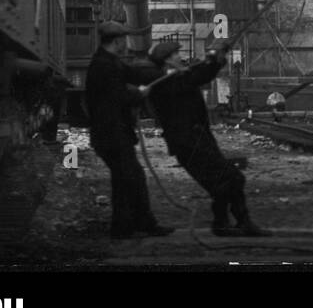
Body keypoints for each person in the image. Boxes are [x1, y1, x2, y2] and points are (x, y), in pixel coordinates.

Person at [141, 40, 268, 236]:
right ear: (166, 62)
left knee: (225, 182)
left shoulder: (175, 79)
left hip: (197, 139)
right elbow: (195, 77)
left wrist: (215, 60)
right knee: (229, 179)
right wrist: (212, 59)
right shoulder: (165, 84)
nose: (180, 57)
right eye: (175, 55)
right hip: (188, 143)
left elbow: (199, 75)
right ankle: (234, 223)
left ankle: (225, 223)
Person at [85, 21, 173, 240]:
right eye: (124, 39)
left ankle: (133, 225)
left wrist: (164, 71)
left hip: (112, 134)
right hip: (112, 135)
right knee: (128, 178)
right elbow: (119, 96)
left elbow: (133, 74)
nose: (126, 43)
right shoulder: (105, 66)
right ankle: (127, 228)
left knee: (129, 178)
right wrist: (139, 94)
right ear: (117, 41)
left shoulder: (108, 61)